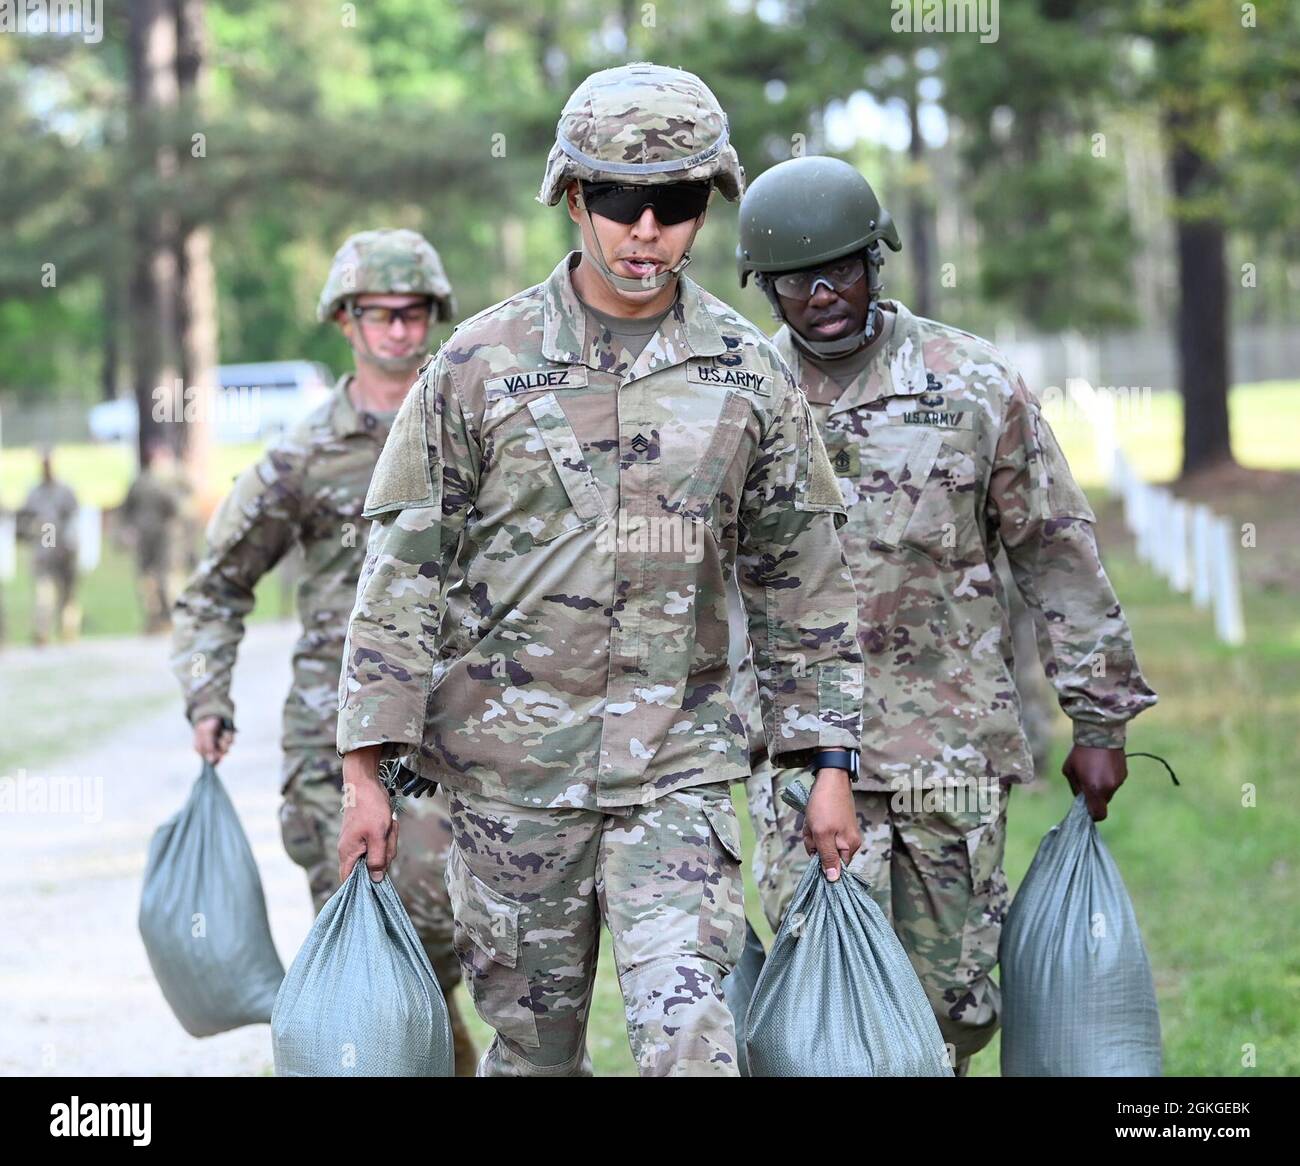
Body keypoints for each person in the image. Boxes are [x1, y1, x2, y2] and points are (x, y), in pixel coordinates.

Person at [336, 64, 864, 1078]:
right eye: (621, 202)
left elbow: (803, 583)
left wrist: (829, 766)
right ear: (575, 198)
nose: (646, 230)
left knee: (692, 1037)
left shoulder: (749, 373)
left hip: (679, 773)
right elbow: (402, 575)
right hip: (509, 788)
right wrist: (365, 770)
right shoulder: (475, 368)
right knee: (534, 1055)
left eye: (676, 204)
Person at [735, 155, 1158, 1071]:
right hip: (801, 761)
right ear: (764, 286)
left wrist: (1100, 716)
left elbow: (1055, 548)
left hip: (948, 760)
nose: (821, 295)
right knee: (826, 1015)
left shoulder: (970, 384)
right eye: (795, 280)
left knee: (950, 1013)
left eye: (841, 269)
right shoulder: (738, 401)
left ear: (875, 263)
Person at [170, 228, 477, 1072]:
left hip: (458, 731)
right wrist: (207, 696)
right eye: (380, 314)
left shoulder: (471, 429)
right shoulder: (300, 457)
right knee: (373, 937)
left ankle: (430, 1045)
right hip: (336, 742)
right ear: (345, 319)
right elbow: (215, 587)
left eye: (415, 314)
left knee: (458, 927)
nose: (400, 331)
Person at [121, 440, 196, 634]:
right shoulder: (142, 482)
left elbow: (184, 506)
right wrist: (126, 531)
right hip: (145, 537)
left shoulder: (176, 477)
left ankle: (174, 617)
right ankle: (154, 619)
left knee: (168, 578)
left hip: (169, 537)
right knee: (147, 580)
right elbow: (127, 509)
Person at [18, 448, 80, 645]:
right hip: (43, 551)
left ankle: (68, 630)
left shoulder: (64, 491)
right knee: (43, 593)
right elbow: (24, 522)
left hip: (64, 549)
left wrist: (71, 544)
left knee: (67, 594)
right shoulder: (34, 493)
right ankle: (42, 631)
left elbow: (73, 518)